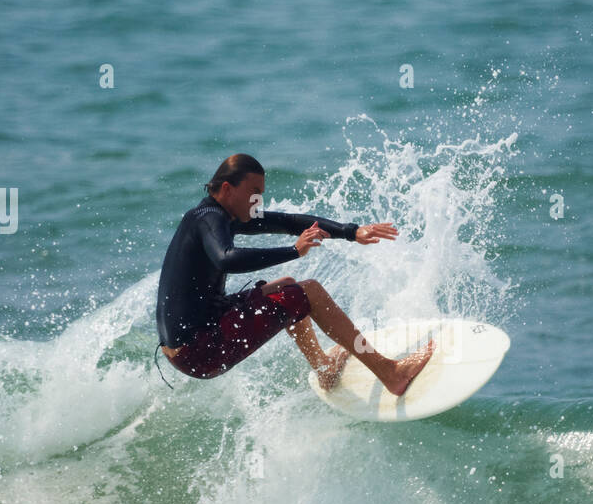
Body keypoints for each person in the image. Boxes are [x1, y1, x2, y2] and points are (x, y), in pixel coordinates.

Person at [155, 154, 434, 394]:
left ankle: (324, 370)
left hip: (193, 341)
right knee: (307, 292)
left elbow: (289, 222)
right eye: (254, 192)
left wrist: (352, 232)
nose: (258, 200)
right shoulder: (210, 219)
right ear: (227, 189)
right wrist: (293, 251)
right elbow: (226, 259)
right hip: (199, 350)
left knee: (287, 286)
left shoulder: (219, 215)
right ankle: (390, 373)